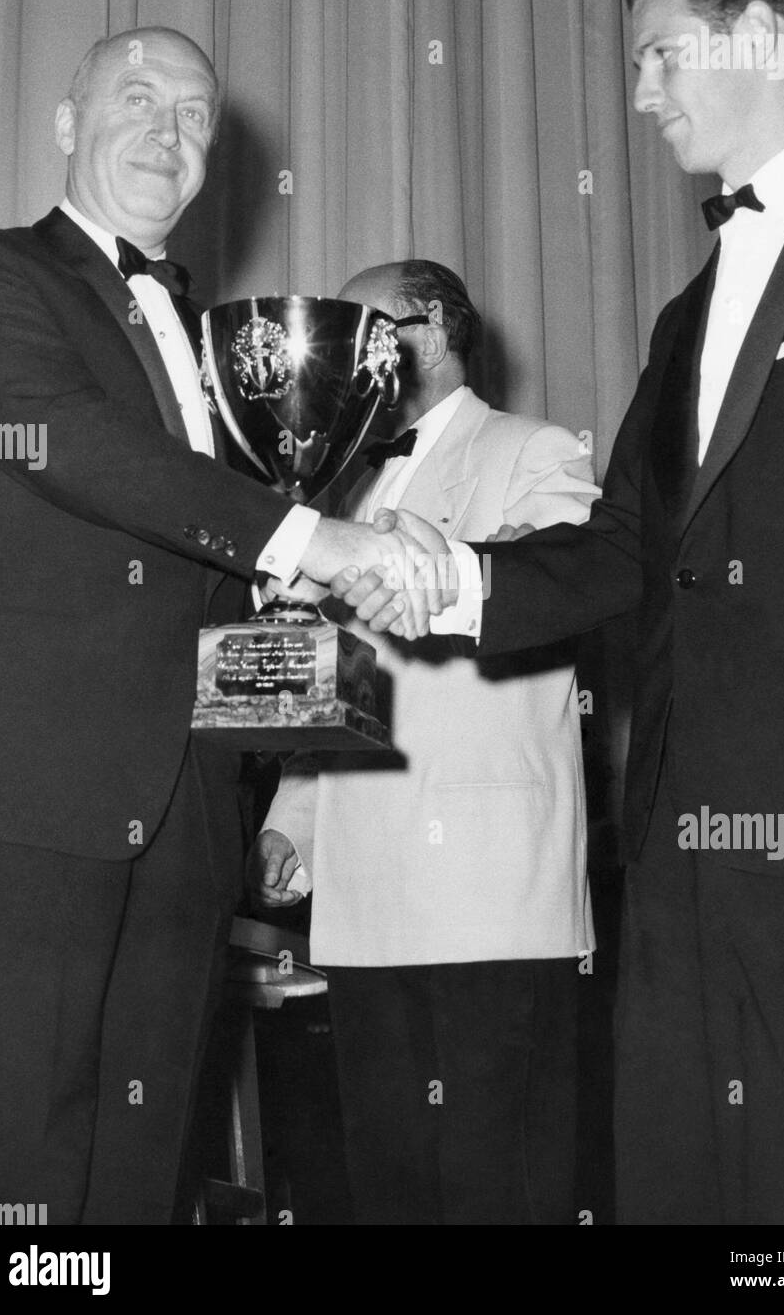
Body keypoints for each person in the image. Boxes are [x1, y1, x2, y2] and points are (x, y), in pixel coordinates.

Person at [333, 0, 784, 1225]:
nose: (642, 92)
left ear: (761, 41)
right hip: (675, 837)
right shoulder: (690, 309)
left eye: (661, 56)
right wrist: (450, 586)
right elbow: (625, 551)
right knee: (682, 1177)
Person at [0, 26, 436, 1224]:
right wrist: (313, 543)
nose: (165, 131)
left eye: (193, 115)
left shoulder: (230, 352)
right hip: (27, 789)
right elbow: (72, 441)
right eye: (135, 99)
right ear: (66, 124)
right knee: (17, 1137)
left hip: (190, 802)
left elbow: (215, 536)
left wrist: (303, 576)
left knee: (147, 1136)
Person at [248, 259, 599, 1225]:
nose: (349, 358)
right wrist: (298, 818)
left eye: (370, 330)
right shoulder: (337, 480)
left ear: (435, 332)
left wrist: (414, 556)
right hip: (366, 888)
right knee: (389, 1182)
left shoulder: (538, 451)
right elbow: (339, 666)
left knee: (504, 1184)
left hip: (492, 887)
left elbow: (557, 588)